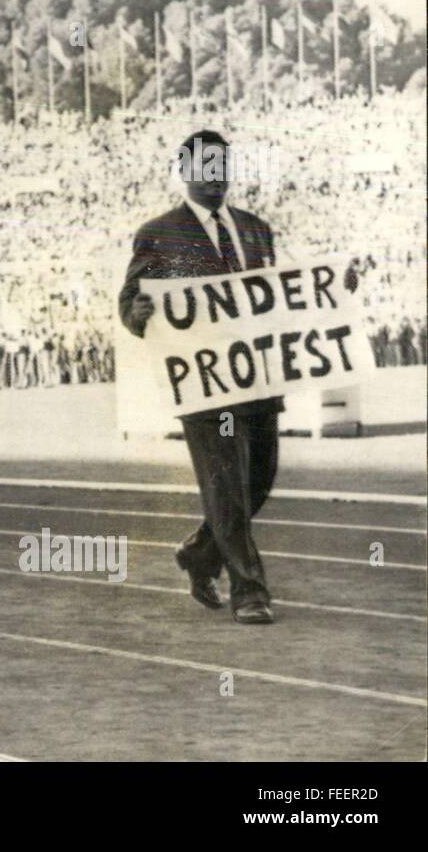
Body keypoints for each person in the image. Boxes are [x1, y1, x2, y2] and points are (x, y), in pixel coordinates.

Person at [118, 130, 283, 626]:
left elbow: (281, 294)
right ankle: (249, 591)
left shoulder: (257, 230)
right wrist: (138, 312)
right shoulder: (159, 233)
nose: (214, 177)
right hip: (204, 386)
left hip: (255, 379)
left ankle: (200, 553)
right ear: (185, 171)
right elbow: (130, 297)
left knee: (258, 480)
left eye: (221, 166)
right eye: (204, 167)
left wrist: (338, 288)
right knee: (226, 484)